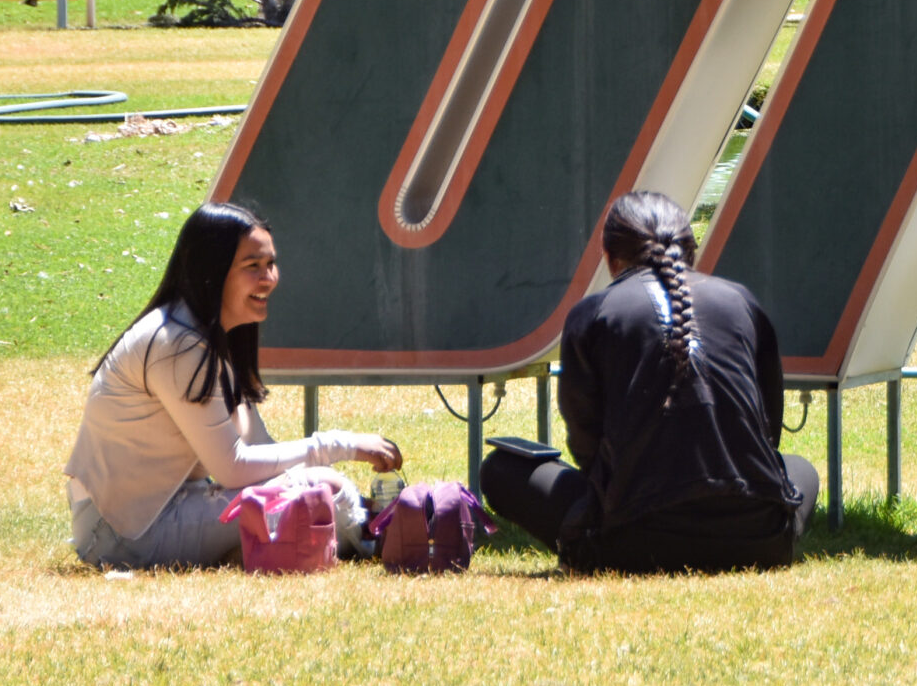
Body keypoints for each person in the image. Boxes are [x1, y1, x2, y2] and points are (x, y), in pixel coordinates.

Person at [480, 191, 818, 574]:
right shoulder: (739, 300)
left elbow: (586, 445)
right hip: (760, 538)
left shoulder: (593, 314)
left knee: (501, 470)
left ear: (609, 257)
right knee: (800, 467)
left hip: (632, 543)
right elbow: (768, 430)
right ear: (690, 250)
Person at [66, 202, 402, 569]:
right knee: (321, 489)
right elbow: (232, 468)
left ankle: (364, 529)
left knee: (317, 485)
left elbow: (258, 449)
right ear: (213, 271)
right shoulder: (176, 343)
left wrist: (318, 470)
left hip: (156, 514)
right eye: (252, 266)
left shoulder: (205, 335)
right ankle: (376, 538)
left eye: (271, 264)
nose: (269, 278)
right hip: (120, 535)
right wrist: (340, 446)